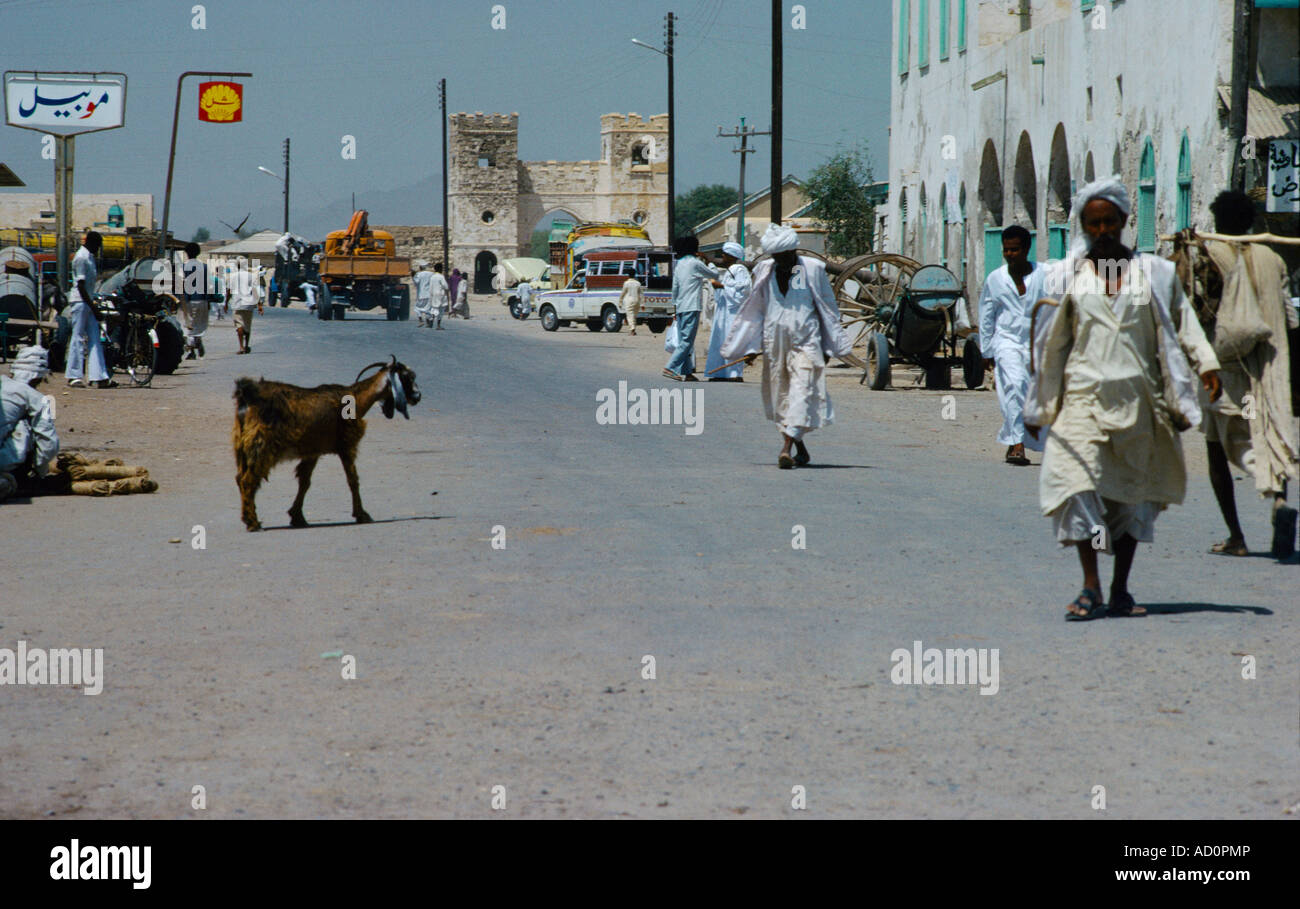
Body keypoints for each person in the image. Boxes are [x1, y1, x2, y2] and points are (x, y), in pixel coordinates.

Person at [1024, 176, 1221, 621]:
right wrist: (1039, 407)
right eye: (1092, 224)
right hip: (1082, 403)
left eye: (1109, 222)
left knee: (1129, 502)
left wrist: (1206, 365)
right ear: (1083, 226)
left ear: (1125, 221)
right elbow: (1052, 346)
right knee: (1076, 488)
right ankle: (1090, 585)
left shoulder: (1156, 274)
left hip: (1139, 403)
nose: (1101, 232)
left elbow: (1184, 324)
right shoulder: (1068, 276)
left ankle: (1120, 589)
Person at [1196, 190, 1299, 558]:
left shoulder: (1208, 254)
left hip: (1225, 374)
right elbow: (1290, 318)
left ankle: (1236, 536)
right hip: (1269, 370)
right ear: (1250, 222)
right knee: (1269, 436)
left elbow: (1199, 310)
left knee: (1218, 447)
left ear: (1218, 222)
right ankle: (1278, 504)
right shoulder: (1273, 258)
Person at [720, 223, 854, 468]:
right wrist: (749, 347)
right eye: (778, 257)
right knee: (782, 398)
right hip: (775, 345)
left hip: (807, 342)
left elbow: (827, 307)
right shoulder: (764, 270)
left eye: (787, 256)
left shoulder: (813, 270)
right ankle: (800, 449)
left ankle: (785, 449)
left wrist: (827, 346)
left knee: (802, 392)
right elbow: (755, 311)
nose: (783, 261)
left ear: (794, 251)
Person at [978, 224, 1047, 464]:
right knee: (1015, 386)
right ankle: (1018, 445)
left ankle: (1013, 438)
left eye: (1014, 250)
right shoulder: (995, 279)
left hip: (1037, 343)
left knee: (1029, 394)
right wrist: (986, 349)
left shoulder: (1045, 274)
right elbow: (987, 315)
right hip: (1006, 341)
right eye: (1006, 250)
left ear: (1027, 249)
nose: (1009, 255)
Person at [1, 348, 59, 501]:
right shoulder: (40, 399)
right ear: (39, 378)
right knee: (24, 425)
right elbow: (49, 444)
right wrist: (39, 471)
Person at [663, 235, 722, 381]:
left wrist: (674, 309)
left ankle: (687, 372)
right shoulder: (695, 263)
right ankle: (670, 367)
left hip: (681, 307)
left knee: (685, 340)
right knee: (687, 342)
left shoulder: (679, 264)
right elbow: (714, 275)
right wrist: (709, 261)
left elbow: (675, 289)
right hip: (692, 306)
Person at [64, 231, 115, 388]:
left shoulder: (89, 257)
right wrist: (94, 308)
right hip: (80, 302)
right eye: (98, 246)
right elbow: (80, 285)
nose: (98, 249)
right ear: (92, 243)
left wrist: (93, 306)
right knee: (78, 337)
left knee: (94, 338)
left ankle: (98, 376)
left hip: (88, 302)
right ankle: (74, 376)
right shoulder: (81, 257)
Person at [705, 241, 753, 380]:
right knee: (720, 340)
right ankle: (719, 372)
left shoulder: (739, 269)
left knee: (732, 340)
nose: (723, 257)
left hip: (733, 312)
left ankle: (734, 373)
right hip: (723, 311)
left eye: (725, 255)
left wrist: (722, 287)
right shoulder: (730, 270)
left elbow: (744, 290)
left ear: (732, 256)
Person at [226, 262, 264, 354]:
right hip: (249, 303)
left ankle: (241, 347)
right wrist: (259, 305)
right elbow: (255, 291)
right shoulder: (251, 276)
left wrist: (226, 303)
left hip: (237, 304)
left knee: (239, 325)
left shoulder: (233, 276)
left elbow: (229, 291)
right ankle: (246, 345)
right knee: (247, 326)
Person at [180, 242, 209, 359]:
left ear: (186, 253)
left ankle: (191, 350)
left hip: (187, 300)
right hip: (201, 299)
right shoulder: (204, 267)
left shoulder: (182, 267)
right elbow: (207, 285)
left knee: (188, 325)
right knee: (198, 324)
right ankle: (197, 341)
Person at [412, 261, 435, 327]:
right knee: (428, 309)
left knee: (417, 308)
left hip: (421, 295)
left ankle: (421, 320)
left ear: (420, 267)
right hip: (429, 294)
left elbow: (416, 282)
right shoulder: (431, 274)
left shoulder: (418, 275)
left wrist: (413, 277)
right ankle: (429, 321)